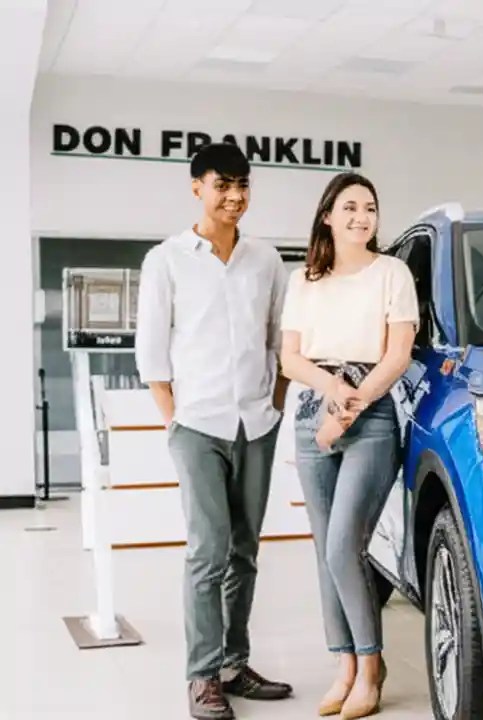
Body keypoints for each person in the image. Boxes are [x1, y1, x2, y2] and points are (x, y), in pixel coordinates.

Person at [135, 142, 293, 720]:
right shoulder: (167, 260)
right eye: (223, 184)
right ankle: (202, 676)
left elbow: (280, 341)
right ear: (196, 187)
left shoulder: (265, 259)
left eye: (243, 184)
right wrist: (174, 419)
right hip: (198, 426)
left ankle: (233, 664)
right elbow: (152, 353)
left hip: (256, 423)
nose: (235, 196)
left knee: (244, 551)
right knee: (208, 552)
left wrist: (274, 406)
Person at [279, 172, 418, 719]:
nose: (362, 217)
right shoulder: (304, 280)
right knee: (324, 550)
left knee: (344, 546)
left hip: (372, 414)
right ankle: (345, 666)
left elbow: (398, 354)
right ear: (328, 216)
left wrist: (350, 404)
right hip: (314, 409)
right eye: (351, 207)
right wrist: (330, 390)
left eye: (370, 208)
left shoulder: (392, 273)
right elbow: (290, 359)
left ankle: (371, 666)